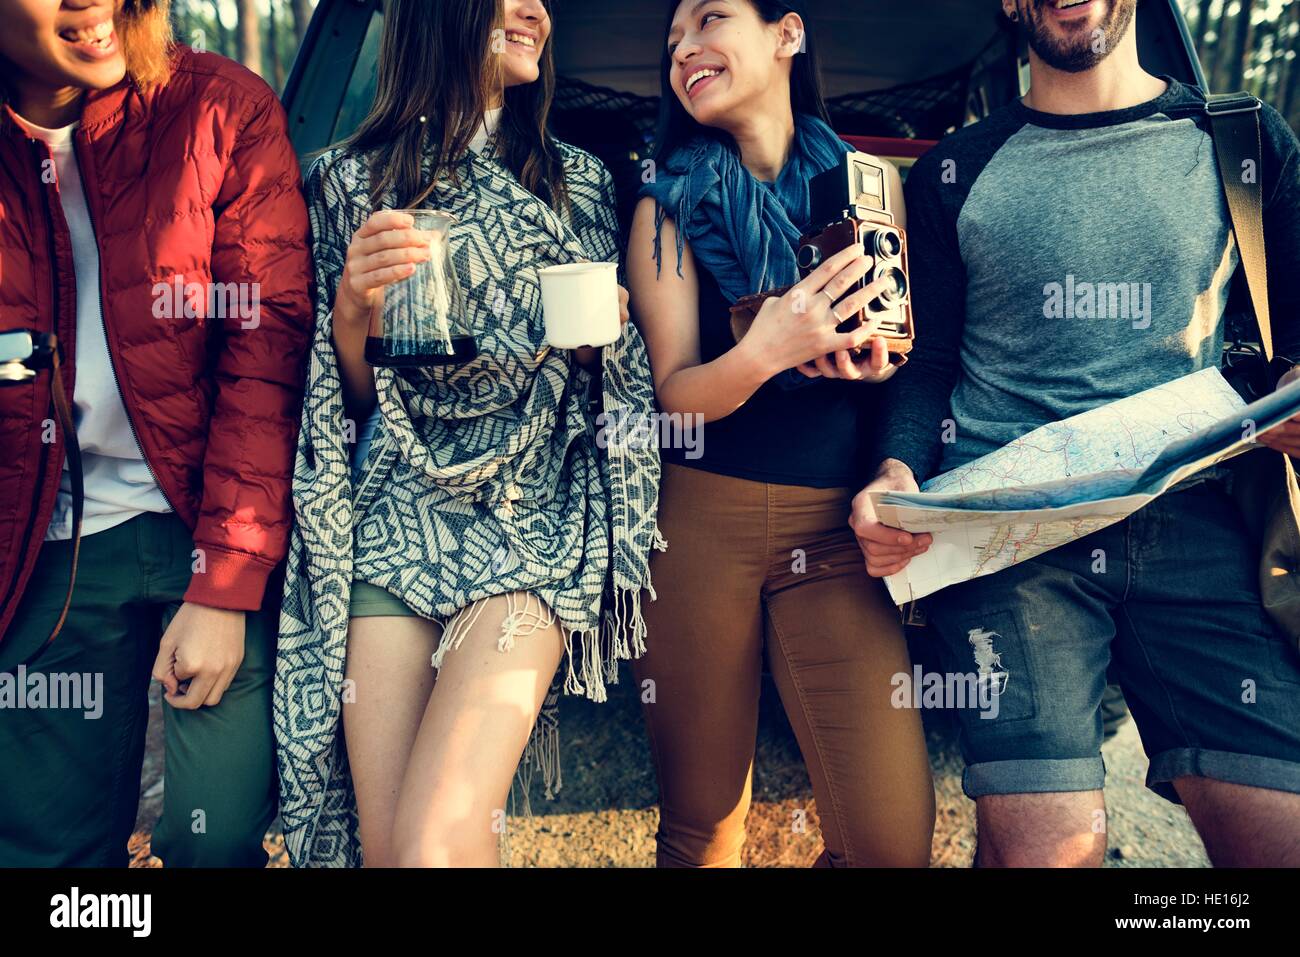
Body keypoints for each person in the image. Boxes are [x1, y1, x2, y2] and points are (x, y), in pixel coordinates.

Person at [852, 0, 1300, 867]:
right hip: (1012, 536)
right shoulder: (953, 170)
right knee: (1047, 854)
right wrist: (894, 470)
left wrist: (1288, 389)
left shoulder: (1241, 140)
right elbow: (929, 360)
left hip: (1200, 522)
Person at [274, 0, 662, 868]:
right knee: (390, 852)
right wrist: (349, 318)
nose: (538, 11)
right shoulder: (343, 181)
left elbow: (604, 397)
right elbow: (348, 410)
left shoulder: (581, 182)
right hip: (393, 520)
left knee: (437, 843)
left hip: (531, 519)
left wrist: (610, 344)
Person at [0, 0, 313, 866]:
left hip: (206, 527)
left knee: (210, 842)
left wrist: (224, 584)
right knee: (48, 855)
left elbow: (268, 352)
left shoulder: (222, 108)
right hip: (41, 544)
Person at [626, 0, 936, 867]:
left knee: (891, 842)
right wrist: (765, 351)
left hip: (838, 530)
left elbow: (908, 361)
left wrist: (879, 366)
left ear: (787, 34)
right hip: (695, 525)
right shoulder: (665, 209)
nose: (686, 48)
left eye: (710, 19)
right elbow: (668, 402)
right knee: (703, 829)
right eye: (674, 38)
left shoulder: (874, 188)